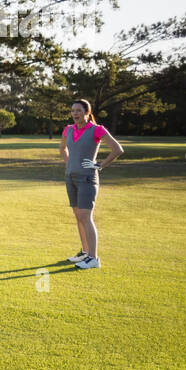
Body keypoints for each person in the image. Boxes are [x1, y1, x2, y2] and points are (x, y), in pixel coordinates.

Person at [61, 99, 123, 270]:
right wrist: (70, 165)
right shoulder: (68, 129)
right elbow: (63, 149)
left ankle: (94, 258)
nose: (75, 113)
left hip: (87, 179)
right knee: (78, 216)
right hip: (70, 178)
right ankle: (85, 252)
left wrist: (100, 165)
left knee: (86, 216)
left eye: (79, 110)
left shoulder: (97, 130)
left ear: (87, 113)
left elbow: (117, 149)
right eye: (73, 110)